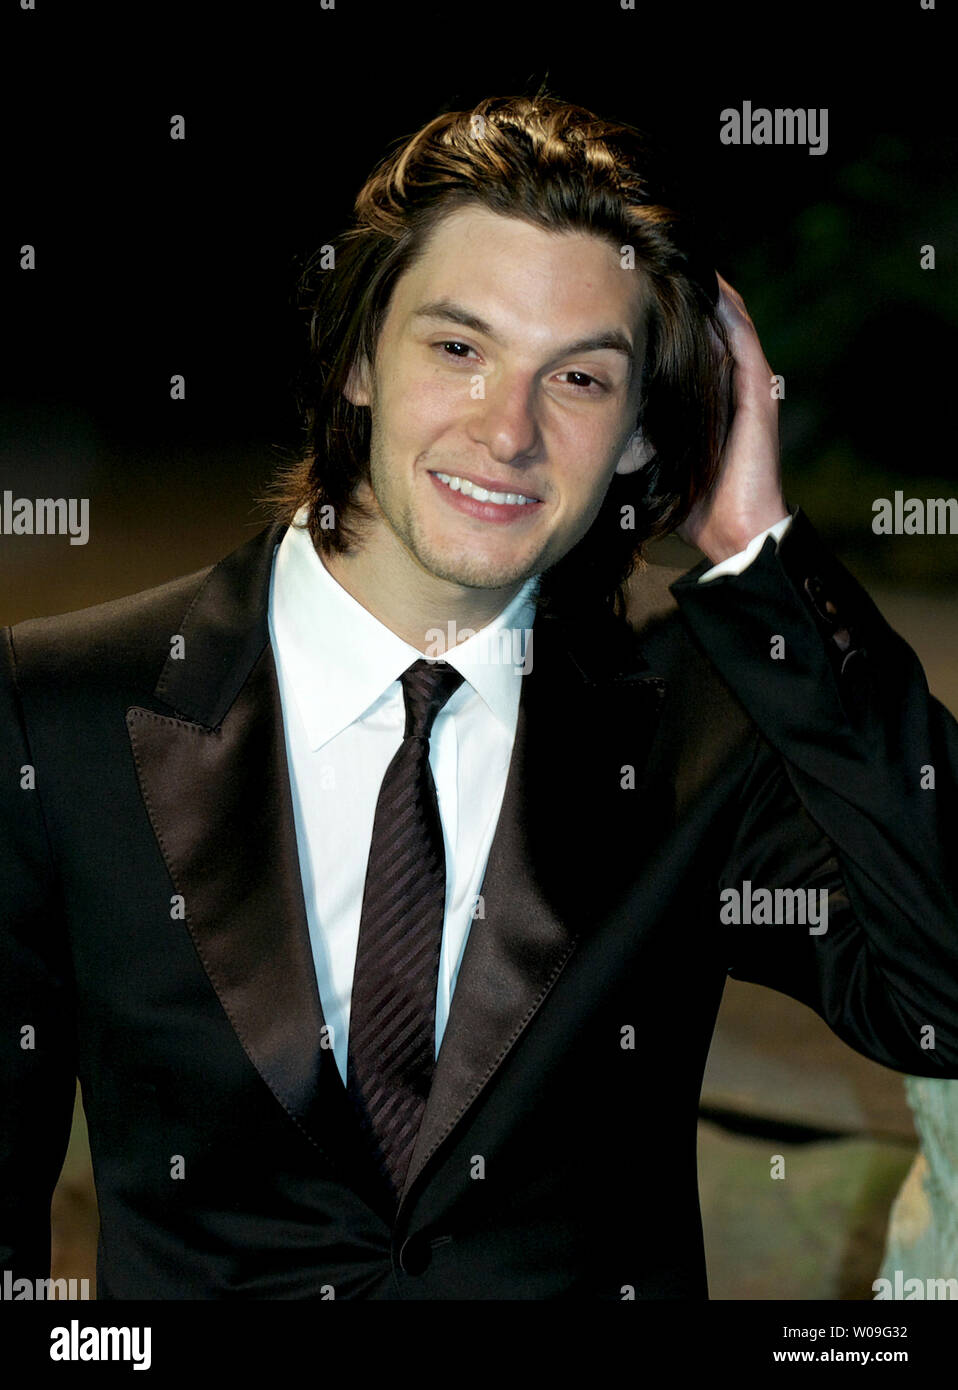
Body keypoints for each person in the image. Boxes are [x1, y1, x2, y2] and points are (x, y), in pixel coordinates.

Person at [2, 93, 957, 1301]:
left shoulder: (700, 724)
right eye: (457, 349)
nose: (507, 430)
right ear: (355, 358)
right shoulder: (61, 706)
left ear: (641, 435)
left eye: (578, 377)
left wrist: (757, 545)